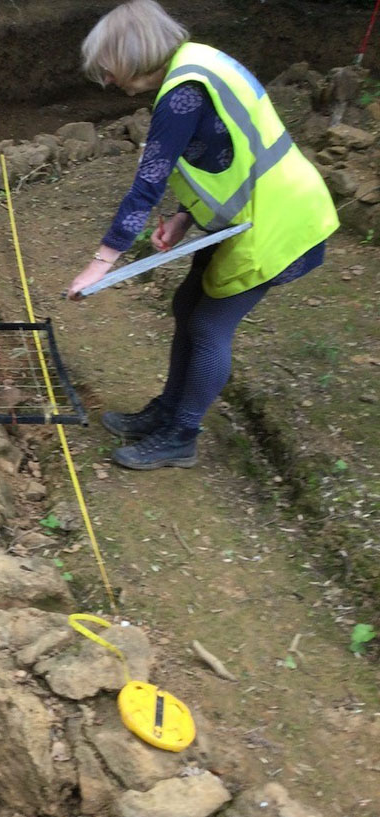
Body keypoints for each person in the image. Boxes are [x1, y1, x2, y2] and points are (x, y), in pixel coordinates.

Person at [66, 0, 337, 470]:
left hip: (279, 221)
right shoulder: (198, 62)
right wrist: (184, 217)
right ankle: (168, 411)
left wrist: (103, 259)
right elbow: (222, 153)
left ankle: (182, 434)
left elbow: (149, 179)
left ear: (133, 53)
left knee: (210, 326)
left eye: (108, 70)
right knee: (187, 305)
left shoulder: (181, 93)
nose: (107, 81)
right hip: (253, 213)